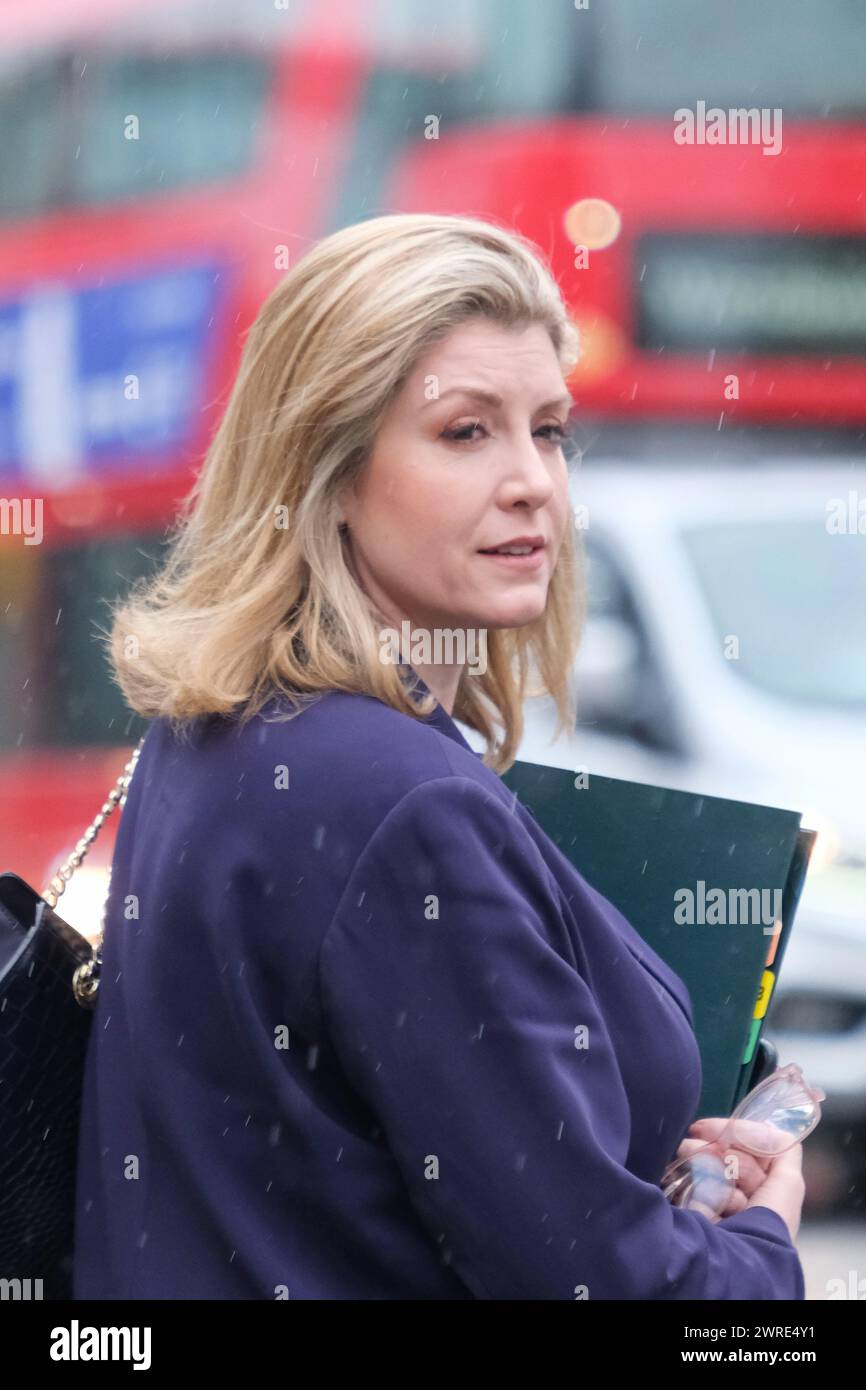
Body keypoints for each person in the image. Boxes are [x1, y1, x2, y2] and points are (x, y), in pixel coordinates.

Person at [73, 212, 805, 1300]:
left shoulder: (221, 730)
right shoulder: (400, 804)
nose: (532, 483)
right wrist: (761, 1243)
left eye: (548, 430)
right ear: (325, 468)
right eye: (465, 432)